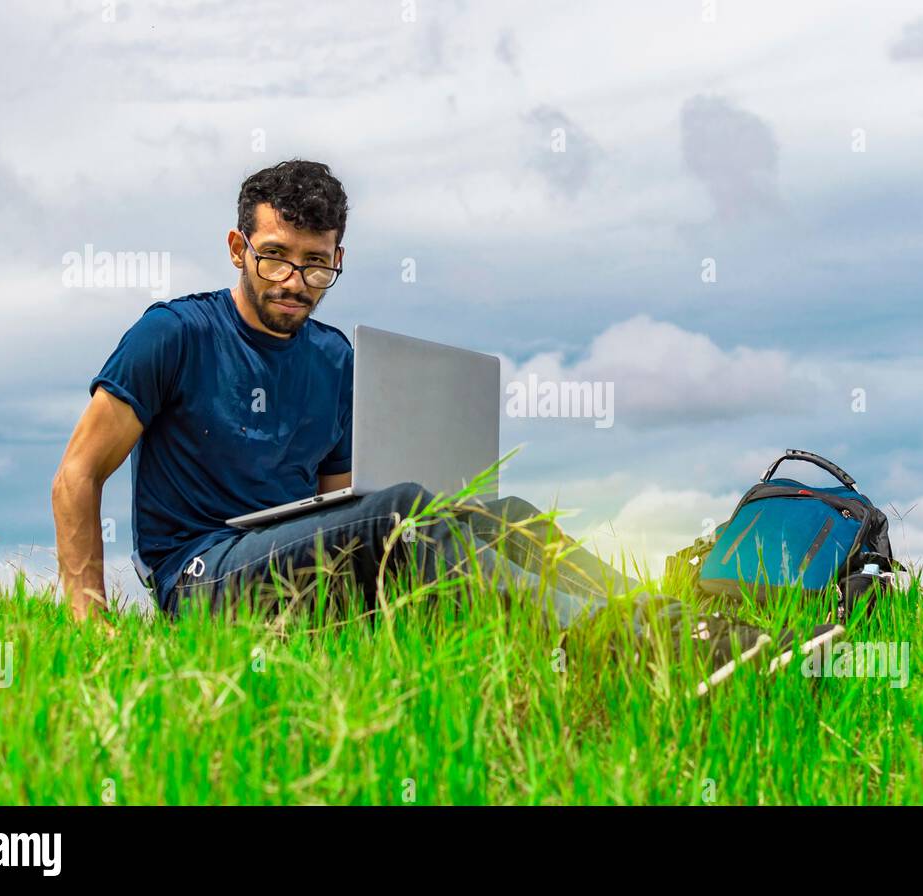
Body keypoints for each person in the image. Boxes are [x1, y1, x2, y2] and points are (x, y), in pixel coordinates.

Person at [51, 159, 822, 680]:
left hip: (289, 556)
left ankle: (692, 625)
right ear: (236, 248)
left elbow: (344, 505)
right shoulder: (175, 335)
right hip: (201, 574)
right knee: (403, 511)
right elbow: (76, 476)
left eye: (318, 264)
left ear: (338, 258)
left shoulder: (332, 357)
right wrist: (88, 617)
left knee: (504, 513)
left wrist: (443, 522)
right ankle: (616, 645)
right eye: (276, 257)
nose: (296, 281)